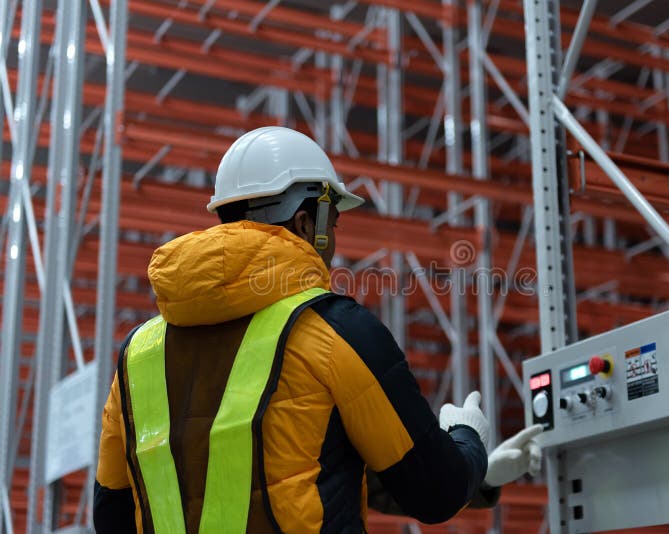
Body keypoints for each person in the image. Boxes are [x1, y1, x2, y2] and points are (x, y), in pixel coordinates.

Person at [94, 127, 542, 534]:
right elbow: (435, 491)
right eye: (332, 223)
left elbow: (113, 515)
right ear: (307, 222)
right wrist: (468, 440)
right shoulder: (335, 332)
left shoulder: (138, 353)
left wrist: (478, 479)